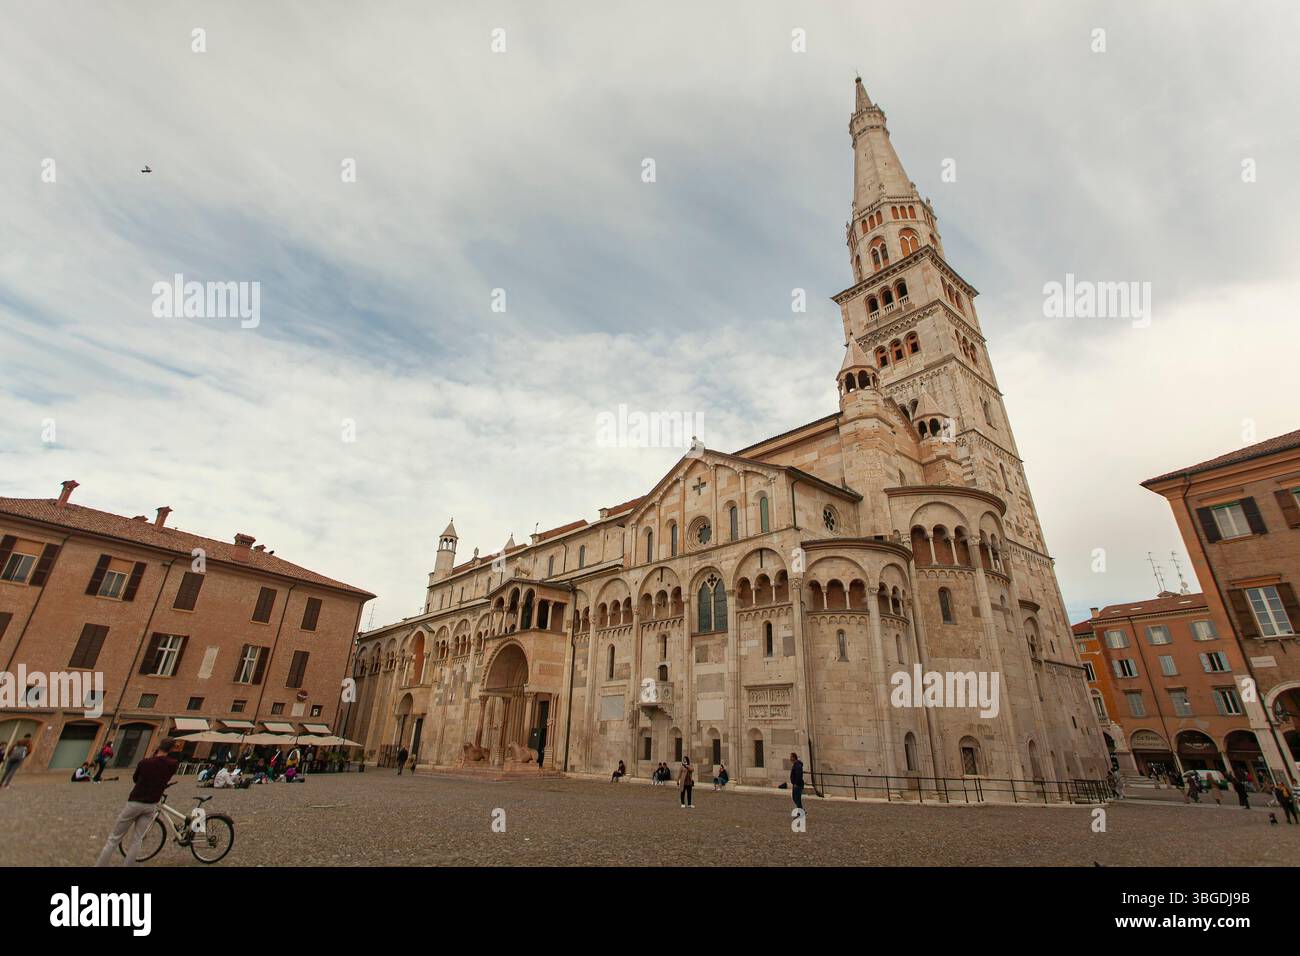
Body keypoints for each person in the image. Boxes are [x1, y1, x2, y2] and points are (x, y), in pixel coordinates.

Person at [94, 738, 180, 867]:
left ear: (159, 747)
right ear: (171, 749)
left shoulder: (145, 763)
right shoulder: (173, 764)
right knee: (137, 839)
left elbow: (135, 779)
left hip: (135, 802)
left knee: (114, 838)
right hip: (151, 805)